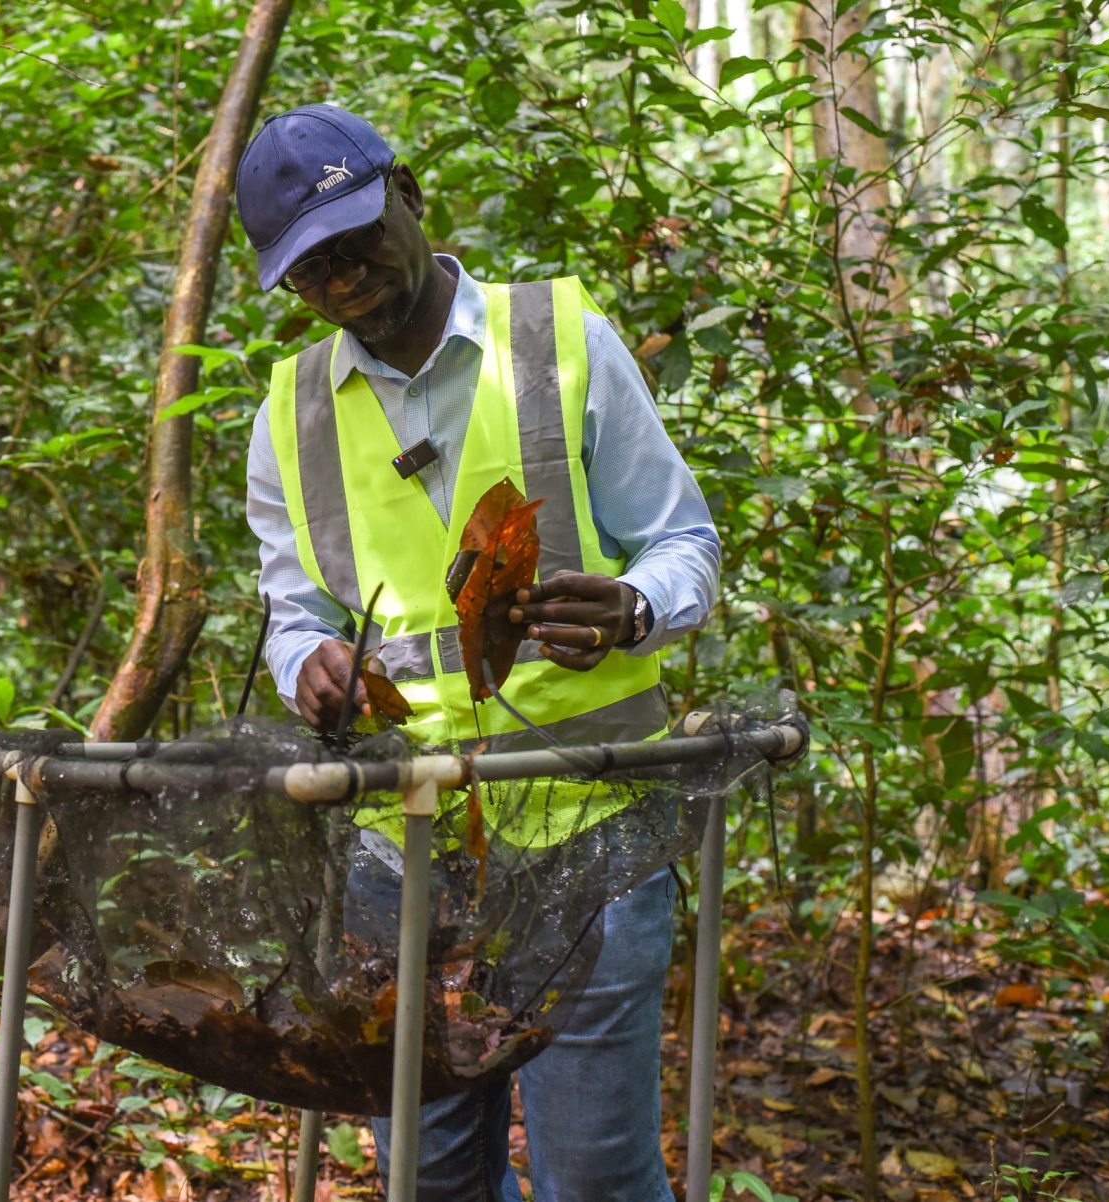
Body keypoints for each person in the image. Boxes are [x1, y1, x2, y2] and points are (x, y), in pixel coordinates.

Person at [235, 103, 721, 1202]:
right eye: (309, 267)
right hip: (397, 844)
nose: (342, 277)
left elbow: (684, 541)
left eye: (355, 237)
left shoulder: (557, 338)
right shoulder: (291, 412)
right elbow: (294, 611)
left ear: (408, 194)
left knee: (593, 1176)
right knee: (427, 1172)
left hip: (590, 829)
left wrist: (635, 607)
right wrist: (308, 664)